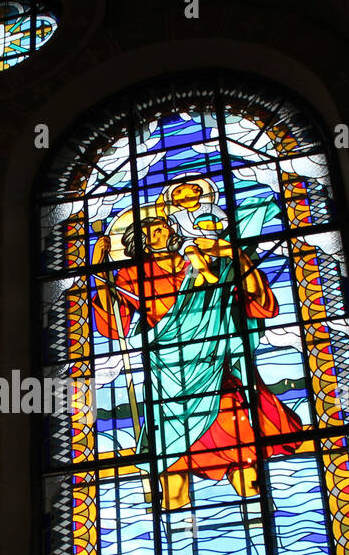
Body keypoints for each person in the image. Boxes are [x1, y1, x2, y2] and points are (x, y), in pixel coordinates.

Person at [91, 203, 306, 511]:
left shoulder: (204, 261)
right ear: (139, 240)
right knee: (170, 466)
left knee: (242, 447)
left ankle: (263, 524)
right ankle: (176, 532)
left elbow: (257, 302)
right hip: (167, 373)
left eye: (162, 225)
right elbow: (115, 325)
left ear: (172, 229)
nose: (158, 232)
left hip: (214, 364)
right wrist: (99, 272)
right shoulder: (130, 275)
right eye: (149, 230)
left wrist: (233, 254)